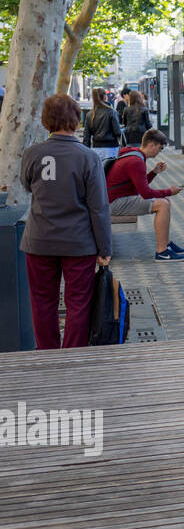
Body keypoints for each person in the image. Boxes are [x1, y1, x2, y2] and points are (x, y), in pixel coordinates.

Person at [20, 94, 113, 349]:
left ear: (45, 120)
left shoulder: (32, 153)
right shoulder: (88, 157)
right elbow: (99, 208)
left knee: (42, 302)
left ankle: (47, 354)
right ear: (76, 118)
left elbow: (27, 186)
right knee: (78, 303)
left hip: (39, 241)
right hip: (79, 243)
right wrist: (104, 248)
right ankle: (72, 357)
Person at [106, 129, 184, 261]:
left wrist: (154, 172)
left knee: (165, 201)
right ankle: (162, 252)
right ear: (152, 144)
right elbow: (145, 193)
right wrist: (169, 191)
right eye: (160, 148)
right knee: (162, 204)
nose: (159, 152)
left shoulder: (133, 155)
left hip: (115, 200)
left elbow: (137, 188)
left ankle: (166, 244)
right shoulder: (136, 161)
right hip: (113, 204)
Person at [82, 87, 123, 163]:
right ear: (105, 97)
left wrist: (86, 153)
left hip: (96, 148)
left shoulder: (89, 114)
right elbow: (117, 132)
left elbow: (86, 136)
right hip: (111, 148)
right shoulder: (111, 111)